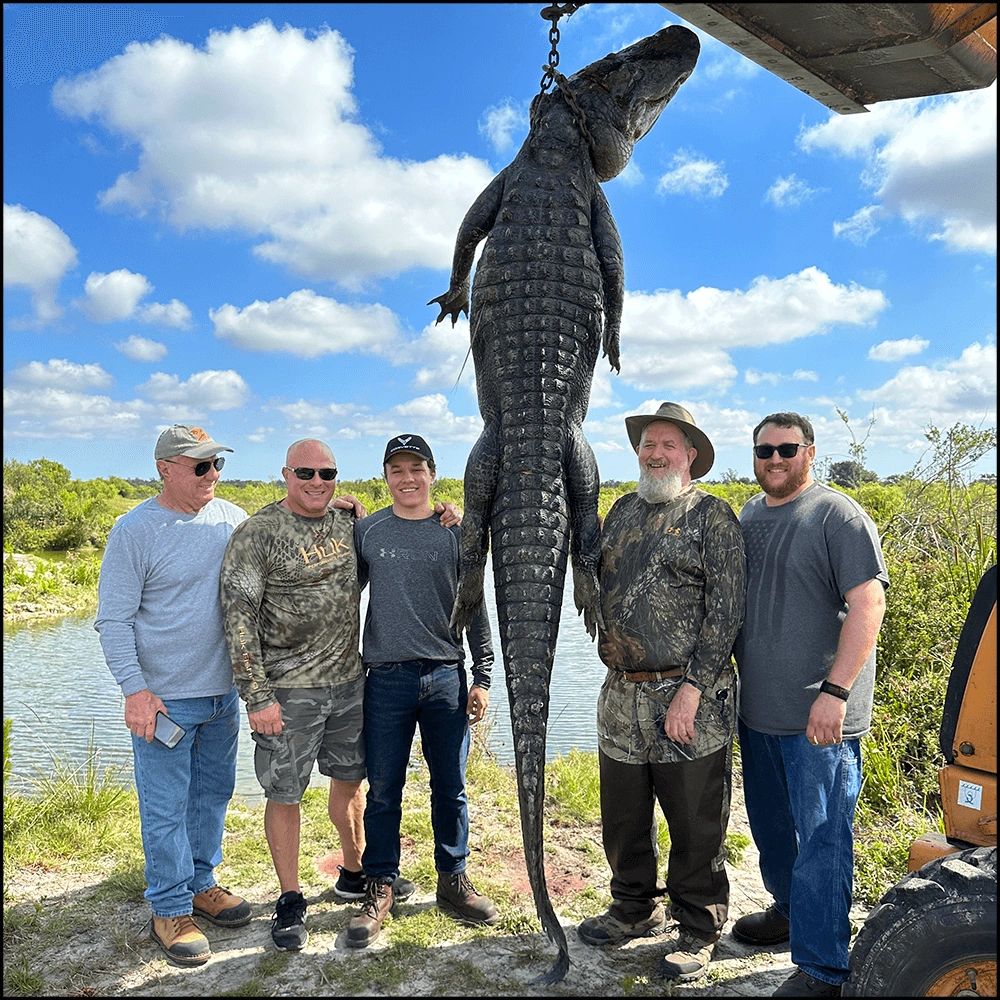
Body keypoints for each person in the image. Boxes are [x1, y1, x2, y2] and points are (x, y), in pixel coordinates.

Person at [219, 437, 421, 952]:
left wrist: (446, 515)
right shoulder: (257, 533)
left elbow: (394, 544)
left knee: (351, 781)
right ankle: (290, 898)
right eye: (305, 473)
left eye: (326, 474)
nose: (316, 483)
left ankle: (355, 873)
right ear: (285, 474)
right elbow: (237, 620)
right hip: (287, 691)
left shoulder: (348, 523)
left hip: (350, 683)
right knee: (285, 792)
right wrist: (257, 696)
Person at [577, 402, 746, 983]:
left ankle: (698, 927)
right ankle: (633, 907)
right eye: (648, 443)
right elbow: (582, 563)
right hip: (621, 694)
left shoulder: (712, 517)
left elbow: (726, 614)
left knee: (695, 821)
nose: (655, 454)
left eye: (668, 445)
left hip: (688, 696)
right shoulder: (622, 512)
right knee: (623, 815)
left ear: (690, 455)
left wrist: (693, 690)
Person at [733, 412, 888, 999]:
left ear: (810, 452)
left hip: (820, 720)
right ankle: (788, 912)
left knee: (823, 839)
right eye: (764, 450)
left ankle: (824, 968)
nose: (774, 459)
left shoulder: (837, 515)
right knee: (771, 830)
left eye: (786, 448)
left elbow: (868, 604)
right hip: (759, 712)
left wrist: (836, 691)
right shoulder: (749, 514)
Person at [95, 424, 252, 967]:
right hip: (164, 703)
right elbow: (113, 620)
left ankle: (201, 885)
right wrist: (134, 691)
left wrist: (341, 514)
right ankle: (168, 908)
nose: (213, 475)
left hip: (222, 697)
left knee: (213, 797)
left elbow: (281, 548)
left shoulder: (232, 520)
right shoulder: (134, 531)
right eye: (200, 466)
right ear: (165, 469)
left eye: (217, 464)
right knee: (165, 808)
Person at [346, 433, 499, 948]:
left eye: (417, 469)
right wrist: (337, 513)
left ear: (432, 474)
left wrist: (482, 676)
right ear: (386, 477)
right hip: (385, 679)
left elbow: (475, 605)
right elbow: (342, 594)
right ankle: (380, 885)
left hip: (445, 678)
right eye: (397, 470)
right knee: (383, 790)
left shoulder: (455, 533)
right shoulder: (367, 532)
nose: (407, 478)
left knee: (451, 787)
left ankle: (453, 879)